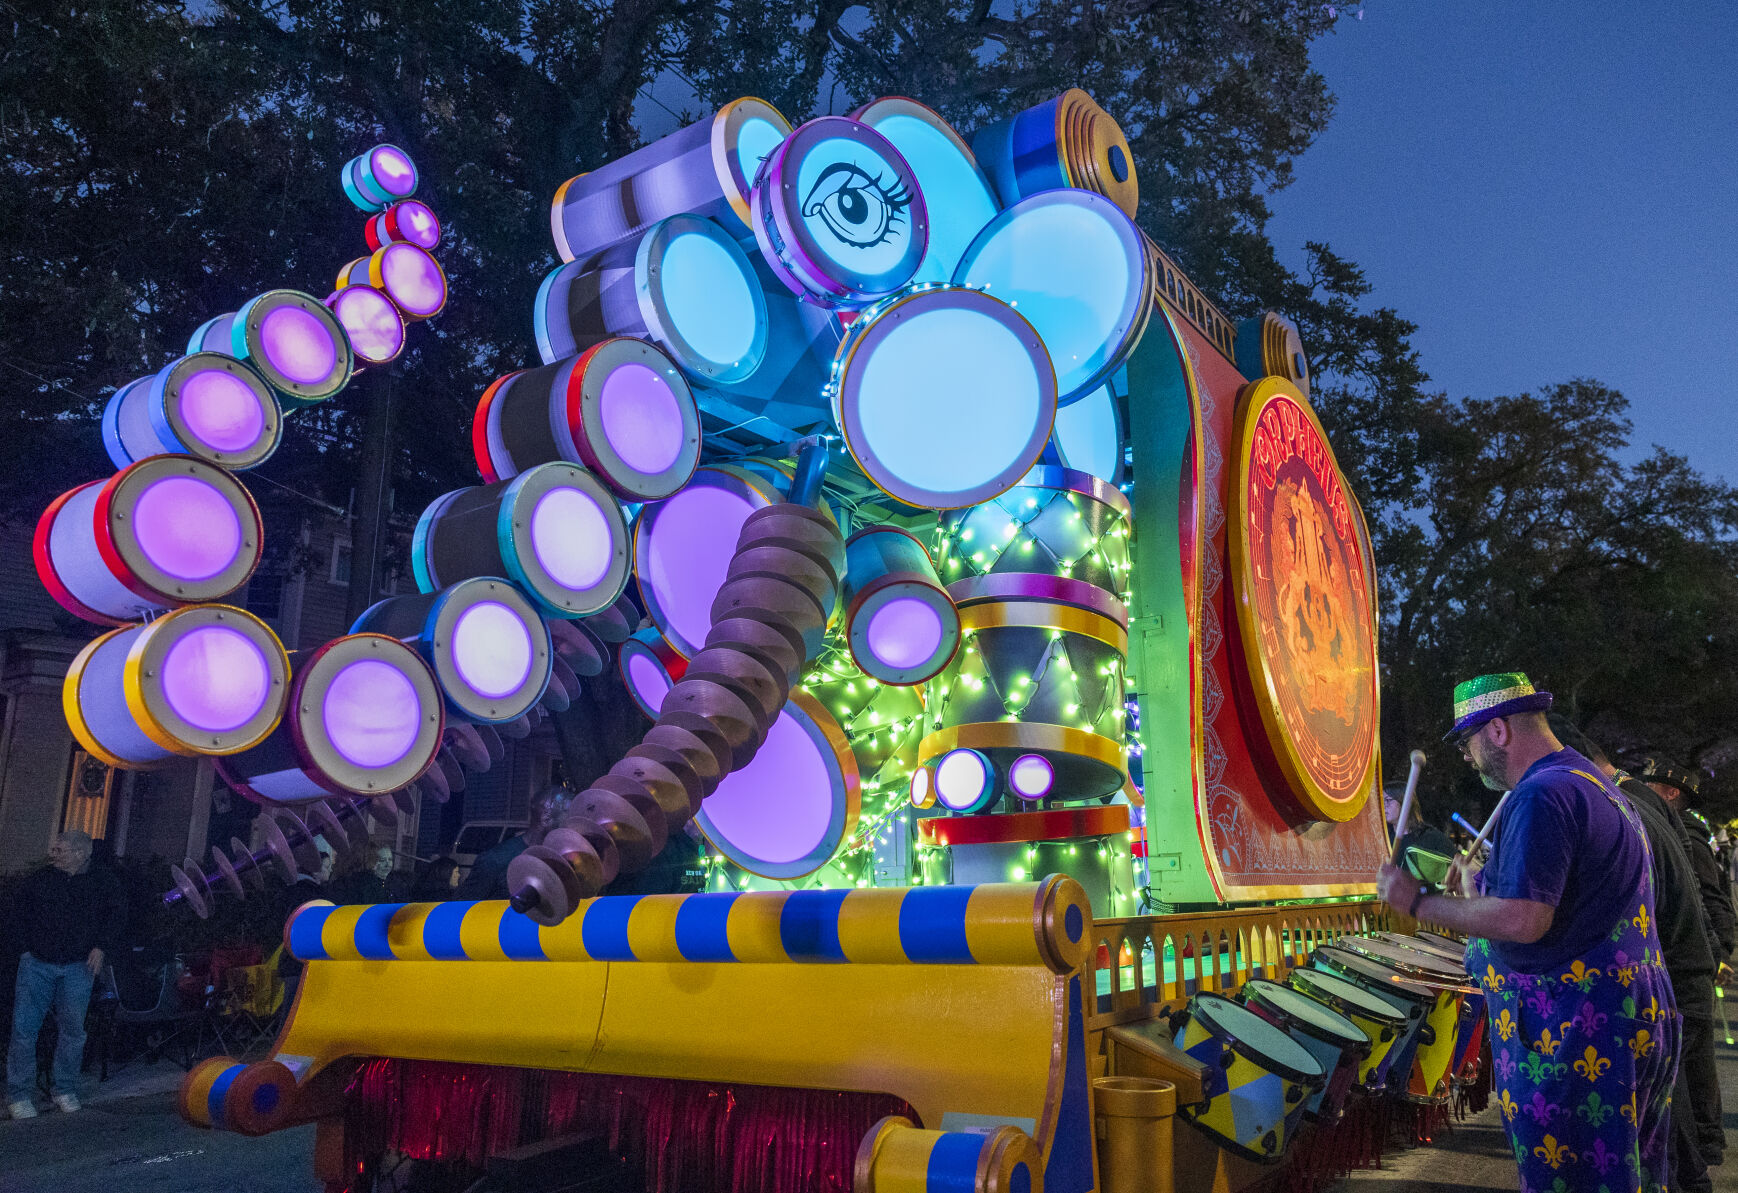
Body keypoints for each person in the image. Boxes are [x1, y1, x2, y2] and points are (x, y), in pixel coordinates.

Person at [1376, 673, 1678, 1193]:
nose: (1467, 759)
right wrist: (1477, 888)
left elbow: (1524, 920)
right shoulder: (1592, 784)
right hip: (1629, 1013)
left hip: (1577, 1029)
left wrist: (1420, 902)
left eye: (1468, 741)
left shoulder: (1543, 794)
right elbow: (1565, 905)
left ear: (1497, 731)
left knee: (1572, 1180)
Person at [1552, 718, 1719, 1192]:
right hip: (1679, 958)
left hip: (1667, 962)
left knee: (1672, 1111)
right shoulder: (1635, 798)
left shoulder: (1619, 806)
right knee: (1673, 1103)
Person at [1627, 756, 1731, 1171]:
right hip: (1696, 955)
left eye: (1650, 785)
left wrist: (1719, 950)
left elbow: (1711, 896)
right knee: (1693, 1062)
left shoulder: (1686, 832)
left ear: (1671, 792)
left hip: (1695, 958)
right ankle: (1706, 1144)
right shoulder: (1673, 829)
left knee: (1692, 1065)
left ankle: (1703, 1147)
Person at [7, 831, 127, 1119]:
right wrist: (24, 949)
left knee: (73, 1030)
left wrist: (102, 945)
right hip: (38, 962)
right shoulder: (40, 880)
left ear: (80, 853)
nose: (53, 854)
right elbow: (15, 912)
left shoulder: (102, 881)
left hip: (78, 965)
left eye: (60, 850)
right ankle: (18, 1094)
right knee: (24, 1030)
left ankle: (65, 1089)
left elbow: (117, 913)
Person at [454, 786, 571, 901]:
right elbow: (463, 910)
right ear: (546, 820)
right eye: (568, 815)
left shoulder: (558, 858)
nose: (571, 824)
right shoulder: (496, 860)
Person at [334, 846, 410, 905]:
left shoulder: (398, 883)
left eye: (390, 859)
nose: (388, 864)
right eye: (382, 860)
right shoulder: (365, 882)